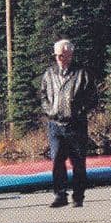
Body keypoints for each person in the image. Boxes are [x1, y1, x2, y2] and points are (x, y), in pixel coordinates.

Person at [40, 37, 94, 207]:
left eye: (65, 55)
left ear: (71, 55)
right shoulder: (49, 74)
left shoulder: (82, 73)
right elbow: (43, 96)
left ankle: (78, 196)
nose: (62, 59)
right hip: (55, 124)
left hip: (76, 125)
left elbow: (92, 97)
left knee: (78, 162)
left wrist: (79, 112)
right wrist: (50, 111)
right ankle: (60, 195)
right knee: (56, 160)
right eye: (58, 56)